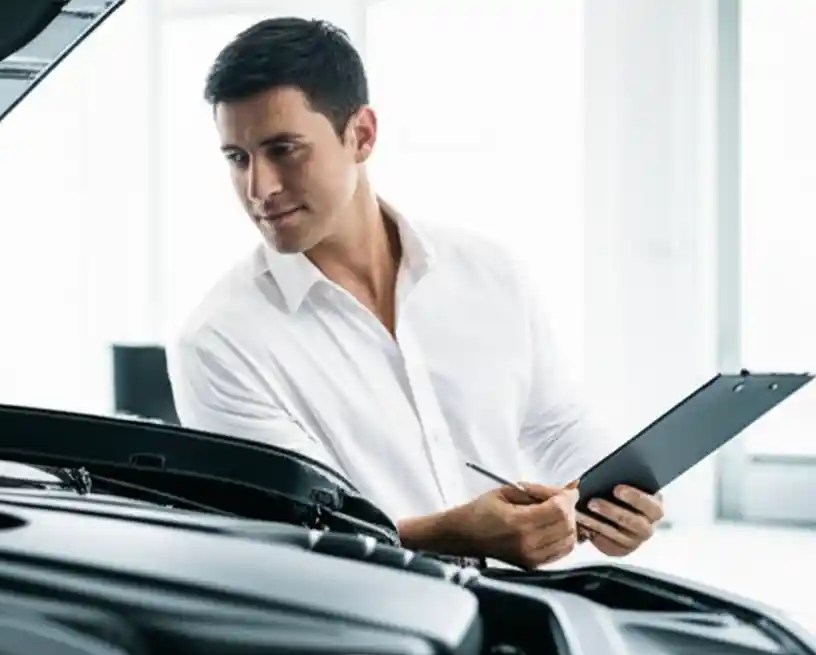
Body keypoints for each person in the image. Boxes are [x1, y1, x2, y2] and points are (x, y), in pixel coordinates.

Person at [165, 17, 664, 569]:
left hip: (516, 610)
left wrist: (610, 501)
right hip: (366, 634)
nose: (259, 188)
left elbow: (558, 425)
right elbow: (295, 536)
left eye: (284, 149)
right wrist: (455, 536)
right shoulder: (219, 342)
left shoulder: (490, 272)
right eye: (237, 158)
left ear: (362, 135)